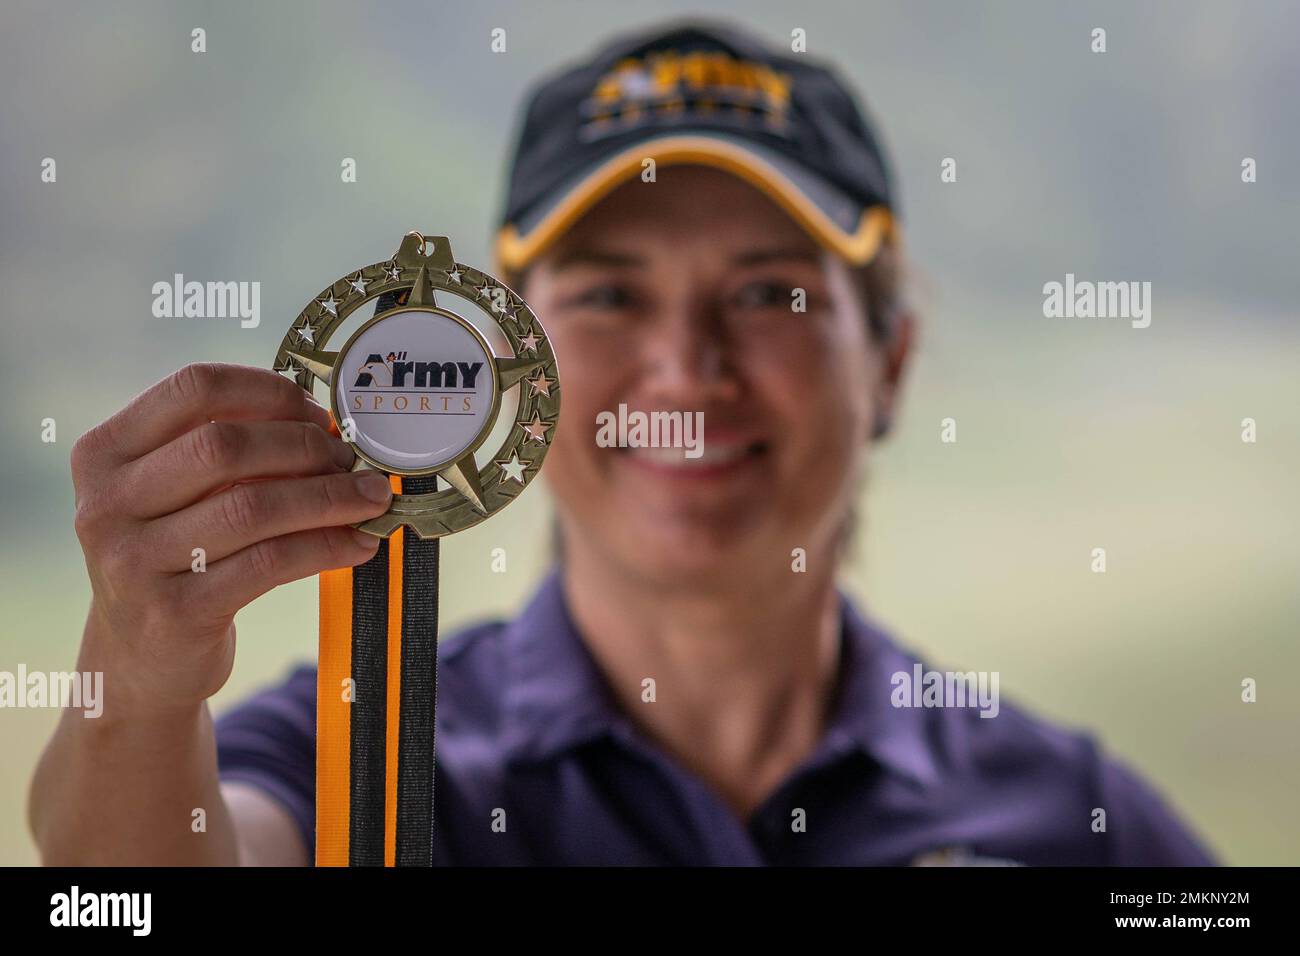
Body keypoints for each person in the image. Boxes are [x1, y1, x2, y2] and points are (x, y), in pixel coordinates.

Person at [29, 21, 1215, 866]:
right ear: (506, 357)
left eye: (769, 296)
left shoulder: (1077, 816)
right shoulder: (358, 743)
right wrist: (138, 682)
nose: (686, 367)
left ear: (890, 361)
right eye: (607, 295)